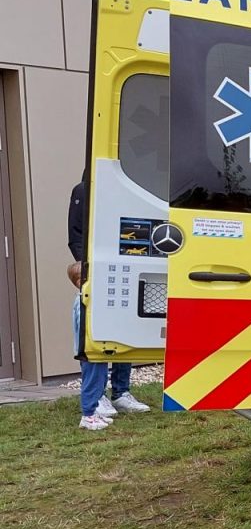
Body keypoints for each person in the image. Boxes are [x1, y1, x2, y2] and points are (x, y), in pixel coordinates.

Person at [67, 180, 150, 427]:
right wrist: (90, 271)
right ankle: (95, 399)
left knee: (122, 331)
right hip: (99, 271)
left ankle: (121, 392)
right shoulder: (83, 190)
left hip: (124, 269)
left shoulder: (129, 188)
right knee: (96, 339)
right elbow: (75, 235)